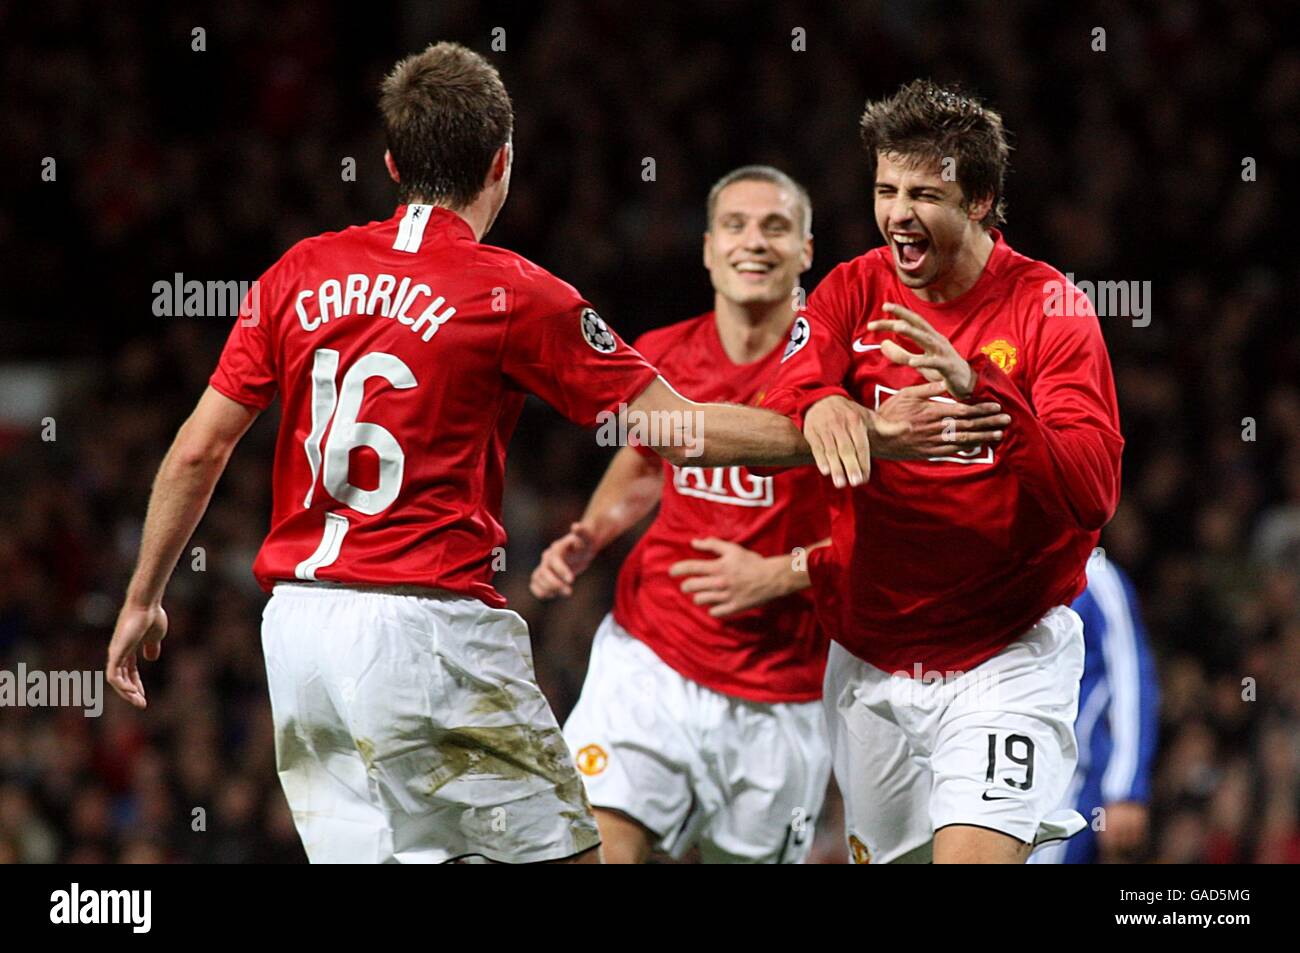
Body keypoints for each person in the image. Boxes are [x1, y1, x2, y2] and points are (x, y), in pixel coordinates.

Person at [104, 43, 859, 865]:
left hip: (297, 634)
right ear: (502, 161)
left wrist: (143, 595)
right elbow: (673, 429)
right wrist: (843, 430)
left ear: (392, 161)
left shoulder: (297, 271)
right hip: (427, 627)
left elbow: (196, 451)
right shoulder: (514, 292)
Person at [531, 165, 1010, 863]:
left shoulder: (854, 371)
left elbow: (911, 527)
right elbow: (643, 461)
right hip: (650, 656)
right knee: (595, 848)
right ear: (706, 248)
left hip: (785, 687)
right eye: (735, 225)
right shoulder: (662, 355)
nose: (753, 242)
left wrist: (780, 573)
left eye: (775, 227)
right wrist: (594, 530)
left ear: (807, 251)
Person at [764, 79, 1124, 863]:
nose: (897, 213)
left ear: (981, 200)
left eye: (925, 193)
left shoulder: (1050, 307)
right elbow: (786, 382)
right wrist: (822, 400)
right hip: (870, 655)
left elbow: (1093, 493)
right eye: (885, 189)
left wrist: (985, 390)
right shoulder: (852, 288)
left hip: (1003, 655)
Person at [1030, 550, 1160, 864]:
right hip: (986, 772)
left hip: (1068, 783)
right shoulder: (992, 564)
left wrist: (1126, 789)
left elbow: (1131, 680)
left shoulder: (1095, 575)